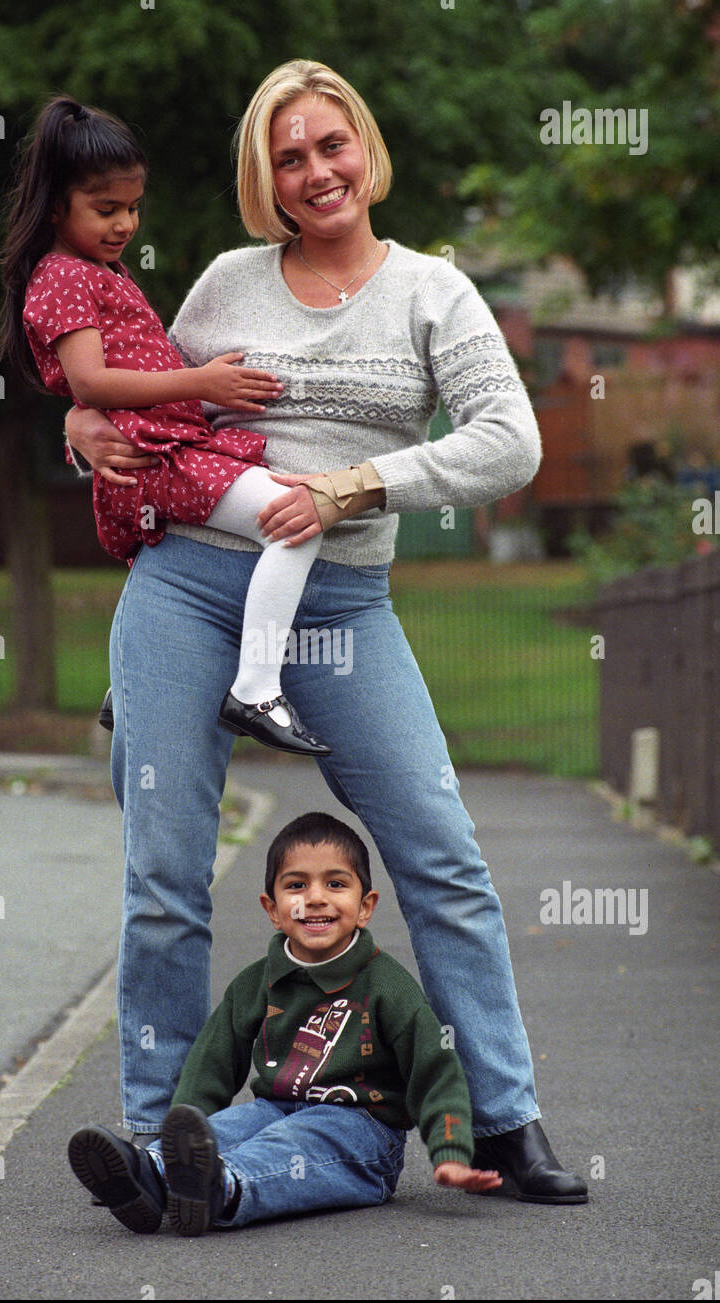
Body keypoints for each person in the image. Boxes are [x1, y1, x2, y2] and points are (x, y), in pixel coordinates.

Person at [65, 60, 588, 1204]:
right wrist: (81, 425)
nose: (315, 172)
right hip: (190, 584)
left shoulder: (429, 295)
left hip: (339, 609)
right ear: (267, 177)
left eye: (329, 146)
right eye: (288, 156)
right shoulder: (224, 284)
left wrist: (355, 484)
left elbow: (508, 444)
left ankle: (501, 1117)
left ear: (365, 152)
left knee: (441, 855)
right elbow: (141, 395)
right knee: (162, 873)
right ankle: (159, 1145)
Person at [0, 93, 359, 756]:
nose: (125, 223)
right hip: (158, 459)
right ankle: (256, 690)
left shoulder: (95, 271)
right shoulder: (64, 277)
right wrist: (204, 382)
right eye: (106, 209)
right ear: (54, 207)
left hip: (171, 449)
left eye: (132, 207)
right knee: (297, 520)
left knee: (286, 501)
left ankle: (127, 681)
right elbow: (90, 383)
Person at [68, 813, 505, 1235]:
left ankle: (223, 1188)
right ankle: (151, 1175)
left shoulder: (388, 986)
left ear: (365, 905)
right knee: (234, 1127)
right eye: (297, 885)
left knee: (294, 1142)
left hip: (361, 1132)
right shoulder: (255, 983)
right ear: (273, 910)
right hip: (274, 1109)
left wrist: (450, 1152)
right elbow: (212, 1063)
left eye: (336, 884)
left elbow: (436, 1072)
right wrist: (183, 1129)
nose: (315, 898)